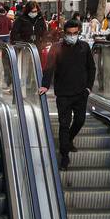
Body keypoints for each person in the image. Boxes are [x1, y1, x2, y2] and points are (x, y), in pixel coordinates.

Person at [39, 18, 94, 169]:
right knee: (64, 124)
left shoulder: (84, 47)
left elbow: (91, 68)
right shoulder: (56, 48)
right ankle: (64, 156)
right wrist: (44, 85)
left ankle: (68, 140)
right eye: (69, 33)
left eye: (75, 33)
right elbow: (49, 68)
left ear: (78, 32)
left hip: (81, 93)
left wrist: (89, 87)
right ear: (64, 33)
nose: (72, 35)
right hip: (63, 94)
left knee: (80, 120)